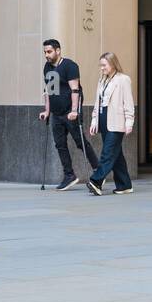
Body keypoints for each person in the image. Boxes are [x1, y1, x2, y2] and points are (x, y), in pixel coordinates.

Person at [40, 39, 99, 191]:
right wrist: (47, 111)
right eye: (45, 52)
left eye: (49, 51)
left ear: (58, 51)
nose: (46, 55)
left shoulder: (70, 66)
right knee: (60, 144)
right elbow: (48, 90)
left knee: (81, 142)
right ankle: (69, 175)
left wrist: (74, 111)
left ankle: (99, 170)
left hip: (69, 111)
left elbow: (75, 90)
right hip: (56, 113)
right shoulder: (47, 67)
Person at [87, 52, 135, 196]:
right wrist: (94, 119)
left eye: (104, 65)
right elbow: (98, 102)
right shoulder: (102, 80)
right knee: (116, 154)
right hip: (103, 120)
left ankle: (96, 181)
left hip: (116, 121)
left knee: (108, 153)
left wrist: (129, 122)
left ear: (113, 64)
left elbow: (129, 102)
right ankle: (124, 185)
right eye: (100, 65)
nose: (101, 68)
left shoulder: (123, 79)